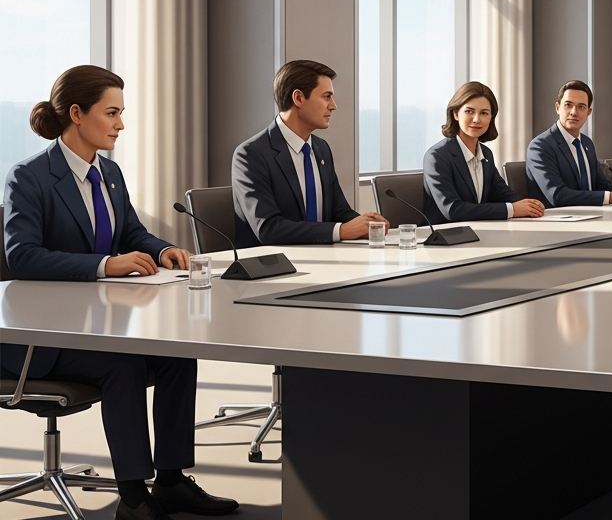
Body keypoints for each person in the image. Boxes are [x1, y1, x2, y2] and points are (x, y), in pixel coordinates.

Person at [2, 65, 238, 520]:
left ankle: (168, 481)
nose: (121, 124)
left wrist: (165, 248)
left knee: (177, 354)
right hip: (41, 337)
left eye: (121, 113)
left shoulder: (108, 174)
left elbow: (132, 232)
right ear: (76, 113)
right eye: (111, 113)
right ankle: (132, 497)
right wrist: (105, 265)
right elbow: (23, 257)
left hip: (93, 321)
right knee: (122, 361)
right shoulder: (28, 177)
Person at [231, 60, 386, 247]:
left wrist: (368, 224)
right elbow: (269, 229)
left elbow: (339, 212)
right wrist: (341, 231)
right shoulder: (250, 155)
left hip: (329, 261)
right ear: (298, 98)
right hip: (276, 269)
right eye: (326, 96)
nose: (333, 105)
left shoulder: (321, 149)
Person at [423, 82, 544, 223]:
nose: (476, 119)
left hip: (481, 231)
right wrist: (512, 209)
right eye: (469, 111)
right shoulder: (436, 157)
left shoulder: (486, 153)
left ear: (491, 117)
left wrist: (529, 206)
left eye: (484, 113)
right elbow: (453, 210)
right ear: (456, 114)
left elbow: (500, 191)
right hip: (446, 237)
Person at [525, 80, 612, 208]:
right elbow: (557, 195)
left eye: (581, 107)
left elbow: (601, 185)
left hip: (592, 215)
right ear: (557, 108)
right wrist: (609, 197)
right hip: (558, 220)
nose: (574, 112)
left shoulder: (586, 143)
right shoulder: (540, 146)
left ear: (589, 112)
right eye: (568, 105)